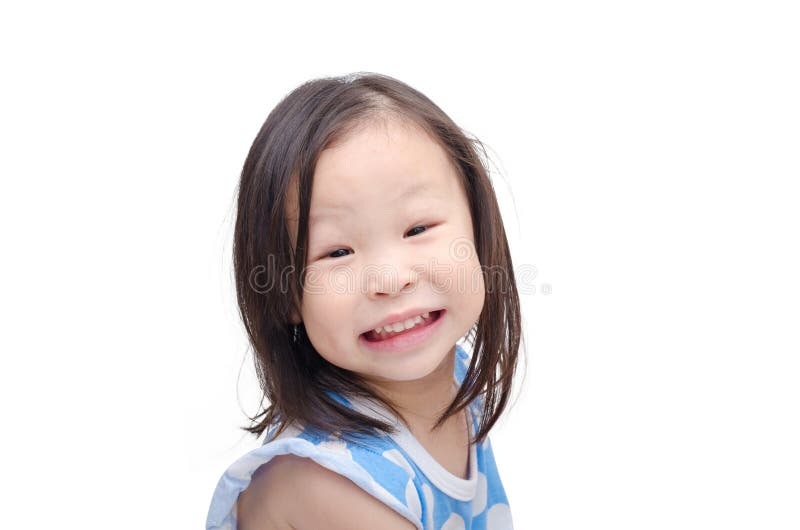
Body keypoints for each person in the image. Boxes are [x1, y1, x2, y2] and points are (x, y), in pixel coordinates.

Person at [206, 72, 523, 530]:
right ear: (284, 293)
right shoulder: (333, 487)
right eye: (337, 252)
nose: (390, 280)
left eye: (417, 229)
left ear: (478, 225)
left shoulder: (451, 372)